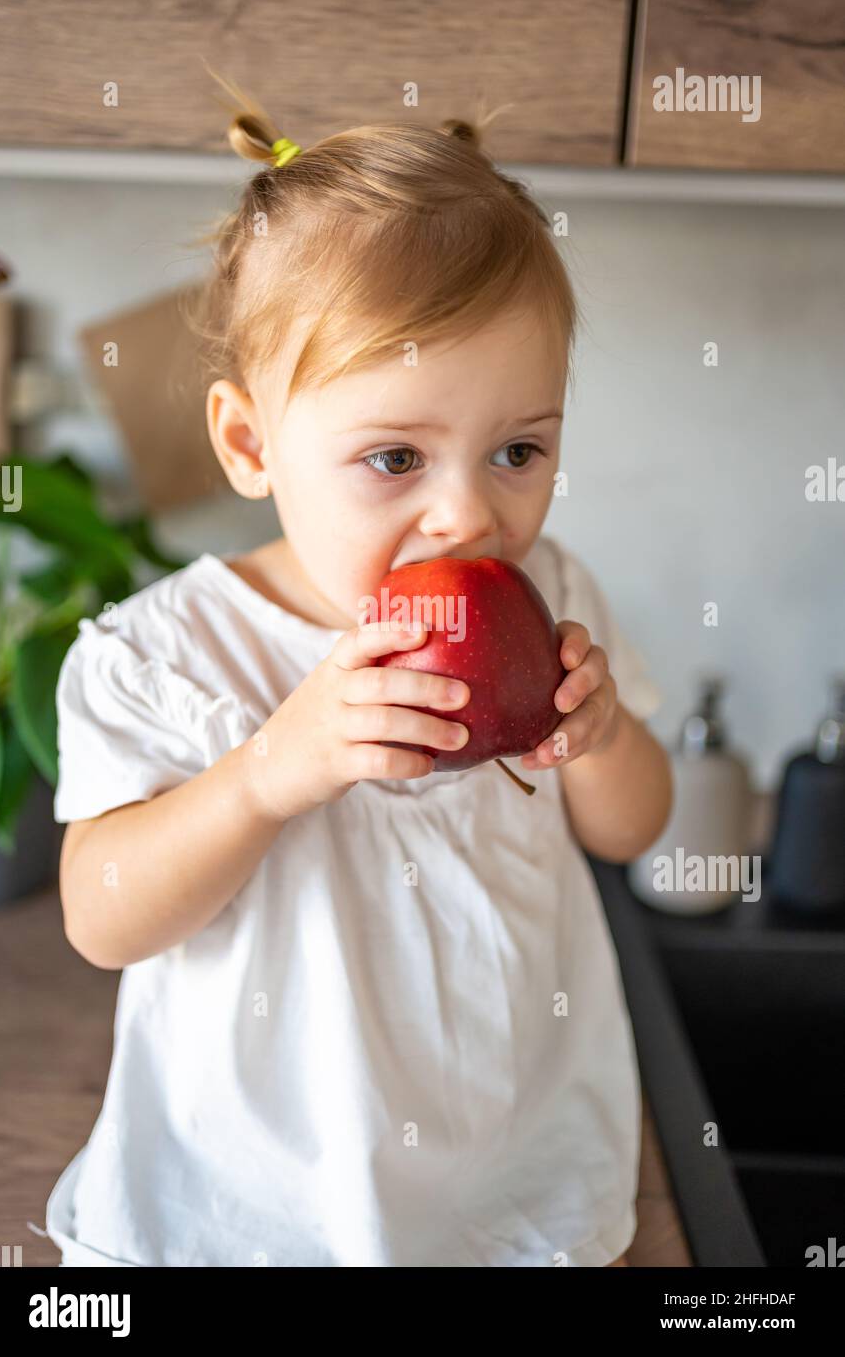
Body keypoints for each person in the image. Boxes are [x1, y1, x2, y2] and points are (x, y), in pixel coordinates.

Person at [46, 79, 672, 1267]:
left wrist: (603, 743)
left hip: (506, 1180)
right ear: (249, 443)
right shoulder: (166, 653)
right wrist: (272, 771)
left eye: (516, 450)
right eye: (394, 455)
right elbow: (103, 916)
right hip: (251, 1208)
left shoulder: (556, 599)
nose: (465, 514)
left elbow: (633, 832)